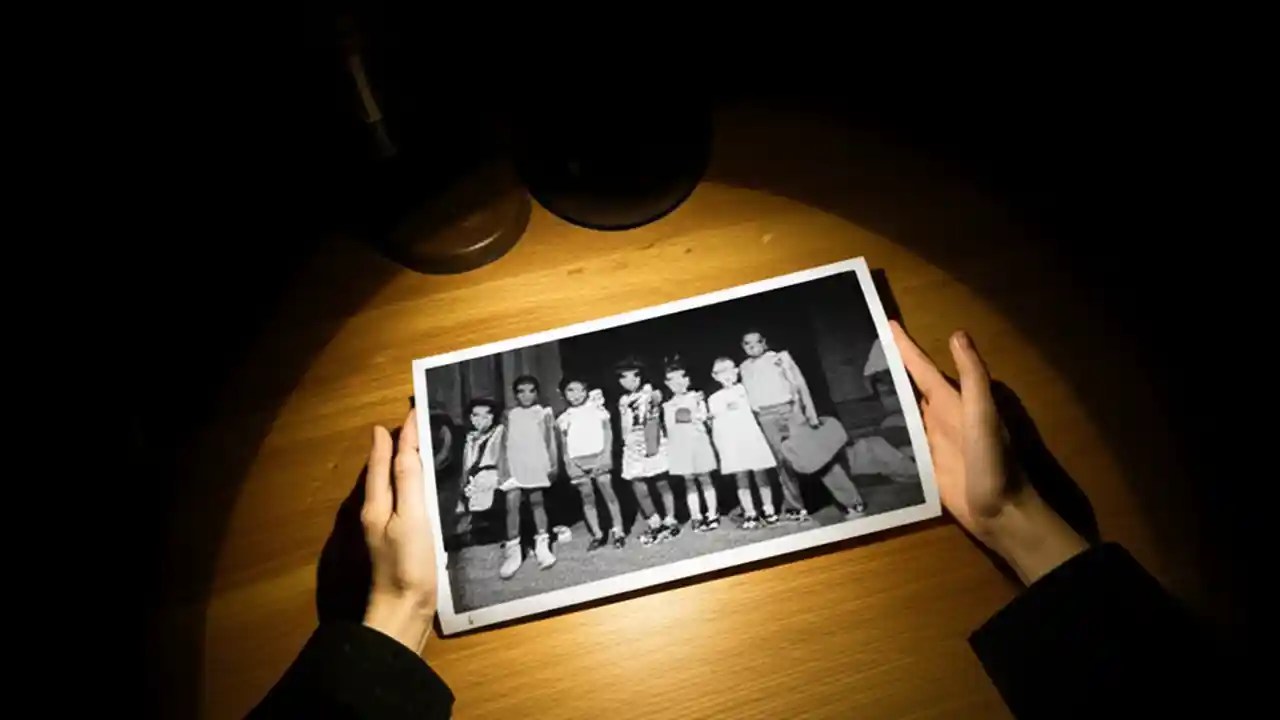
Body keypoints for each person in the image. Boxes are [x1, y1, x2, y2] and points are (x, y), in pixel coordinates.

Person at [253, 323, 1211, 718]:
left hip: (734, 442)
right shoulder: (622, 403)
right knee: (624, 501)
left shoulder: (736, 381)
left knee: (747, 486)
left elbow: (761, 400)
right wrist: (1025, 524)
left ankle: (783, 508)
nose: (674, 376)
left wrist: (393, 614)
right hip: (619, 462)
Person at [738, 329, 868, 520]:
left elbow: (800, 385)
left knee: (817, 458)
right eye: (747, 344)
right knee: (783, 464)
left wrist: (811, 415)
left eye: (756, 342)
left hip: (790, 412)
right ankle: (795, 508)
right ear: (743, 347)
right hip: (766, 418)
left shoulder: (780, 358)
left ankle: (853, 503)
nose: (752, 347)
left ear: (764, 342)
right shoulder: (743, 368)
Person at [707, 355, 779, 528]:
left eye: (730, 371)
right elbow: (716, 424)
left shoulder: (745, 390)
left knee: (760, 473)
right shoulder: (714, 399)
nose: (727, 376)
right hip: (732, 442)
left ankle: (768, 508)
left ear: (736, 371)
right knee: (741, 477)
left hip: (751, 437)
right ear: (714, 376)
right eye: (721, 373)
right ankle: (750, 512)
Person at [615, 357, 680, 544]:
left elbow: (658, 402)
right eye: (624, 378)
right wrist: (625, 440)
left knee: (661, 480)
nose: (630, 381)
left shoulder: (650, 392)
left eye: (635, 376)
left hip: (652, 439)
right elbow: (624, 424)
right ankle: (654, 521)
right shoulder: (622, 400)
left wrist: (653, 396)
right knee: (637, 482)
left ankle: (671, 518)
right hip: (632, 444)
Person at [557, 375, 626, 550]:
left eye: (581, 390)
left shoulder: (597, 409)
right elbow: (564, 444)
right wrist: (570, 464)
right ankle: (597, 534)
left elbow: (607, 434)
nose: (576, 395)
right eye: (571, 391)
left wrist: (605, 456)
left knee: (608, 492)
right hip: (578, 462)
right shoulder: (565, 417)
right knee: (587, 498)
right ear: (563, 394)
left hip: (598, 457)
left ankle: (618, 530)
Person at [499, 375, 558, 578]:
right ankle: (513, 551)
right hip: (514, 464)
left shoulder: (543, 412)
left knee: (537, 501)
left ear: (537, 393)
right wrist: (503, 469)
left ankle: (542, 545)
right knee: (512, 503)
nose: (527, 395)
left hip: (536, 463)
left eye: (531, 391)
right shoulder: (509, 414)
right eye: (521, 391)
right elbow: (503, 442)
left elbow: (549, 440)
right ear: (515, 394)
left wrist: (552, 464)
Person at [661, 358, 720, 531]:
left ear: (688, 380)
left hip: (698, 442)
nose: (678, 383)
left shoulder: (696, 398)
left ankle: (712, 514)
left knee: (705, 478)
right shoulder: (667, 405)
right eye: (672, 380)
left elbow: (703, 417)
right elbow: (670, 428)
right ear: (666, 383)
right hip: (680, 446)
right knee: (689, 482)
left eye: (681, 378)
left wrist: (695, 411)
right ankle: (696, 516)